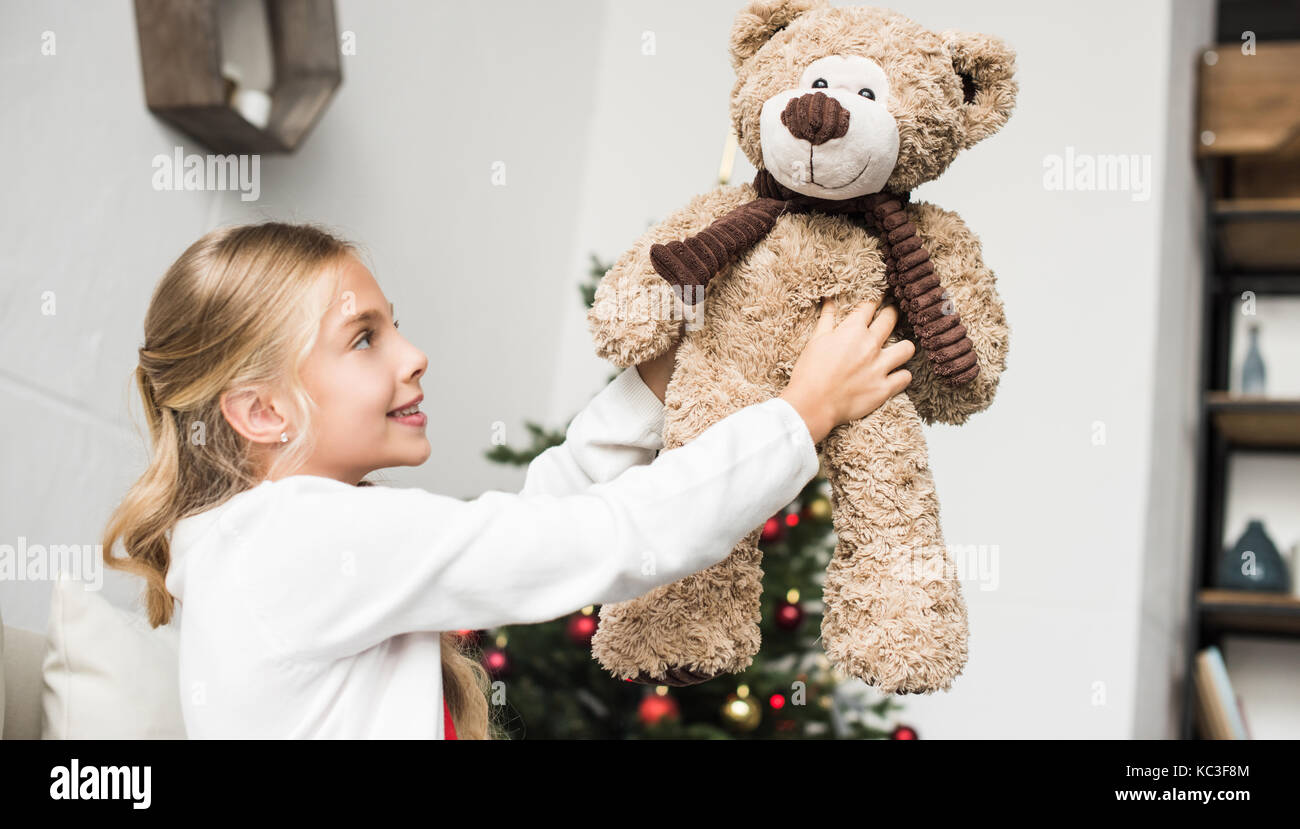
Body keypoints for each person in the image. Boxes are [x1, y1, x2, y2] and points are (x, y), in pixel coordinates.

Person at [101, 221, 914, 739]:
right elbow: (605, 537)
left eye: (394, 325)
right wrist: (801, 414)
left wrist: (652, 382)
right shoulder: (294, 539)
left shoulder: (279, 534)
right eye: (363, 339)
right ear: (263, 411)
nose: (413, 354)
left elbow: (537, 521)